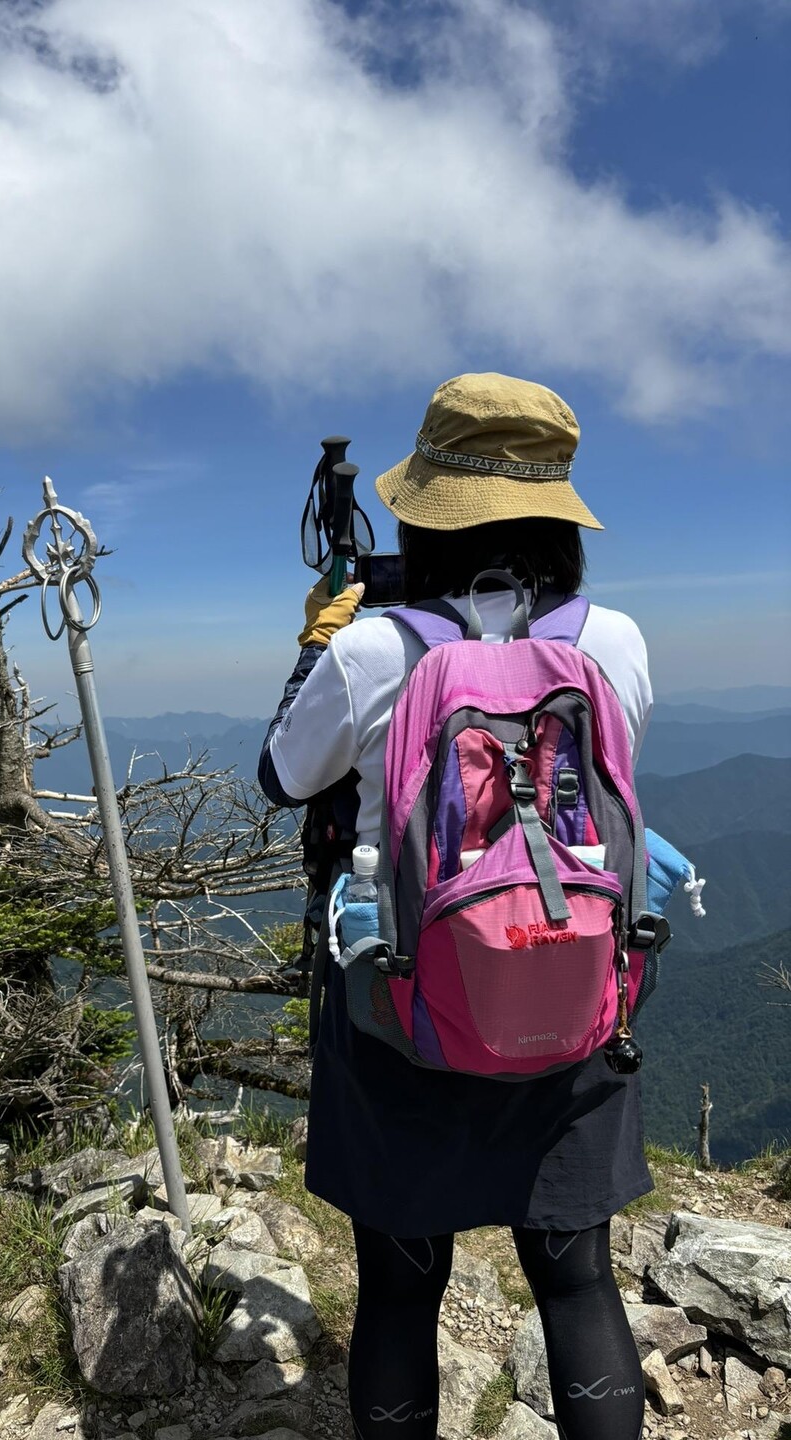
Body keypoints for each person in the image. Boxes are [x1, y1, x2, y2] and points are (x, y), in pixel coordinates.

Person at [258, 373, 652, 1440]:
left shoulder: (372, 647)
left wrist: (316, 646)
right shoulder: (611, 639)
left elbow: (283, 777)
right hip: (571, 1004)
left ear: (422, 510)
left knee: (398, 1293)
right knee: (578, 1287)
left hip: (405, 1012)